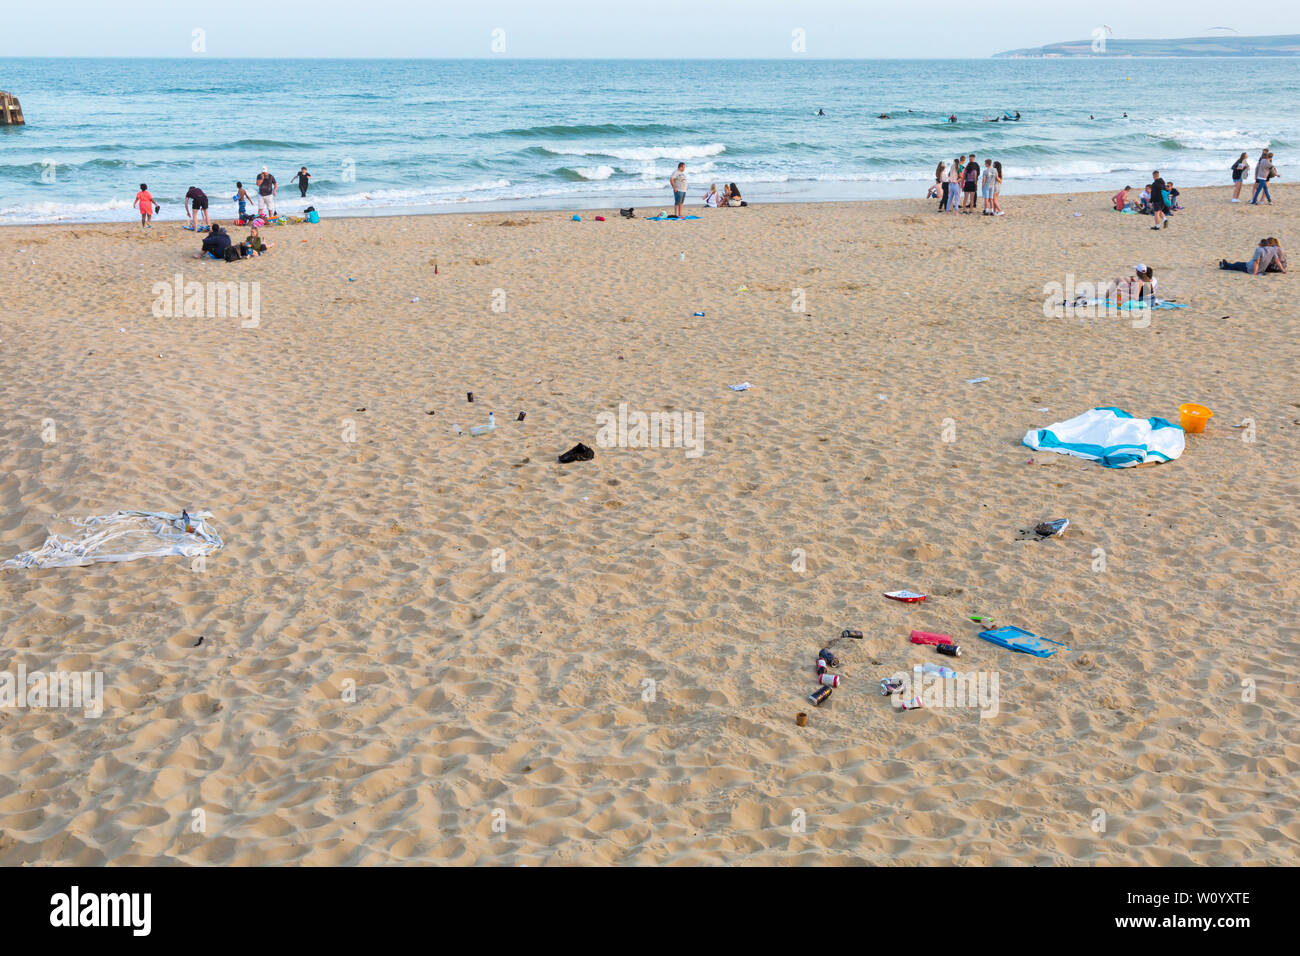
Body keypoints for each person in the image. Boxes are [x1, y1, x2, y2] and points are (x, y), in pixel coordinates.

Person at [1220, 237, 1287, 274]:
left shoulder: (1258, 250)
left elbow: (1256, 262)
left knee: (1237, 264)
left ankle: (1224, 266)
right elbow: (1277, 261)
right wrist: (1283, 270)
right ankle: (1226, 264)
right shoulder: (1272, 250)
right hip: (1261, 270)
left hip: (1250, 268)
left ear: (1261, 244)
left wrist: (1255, 273)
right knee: (1237, 265)